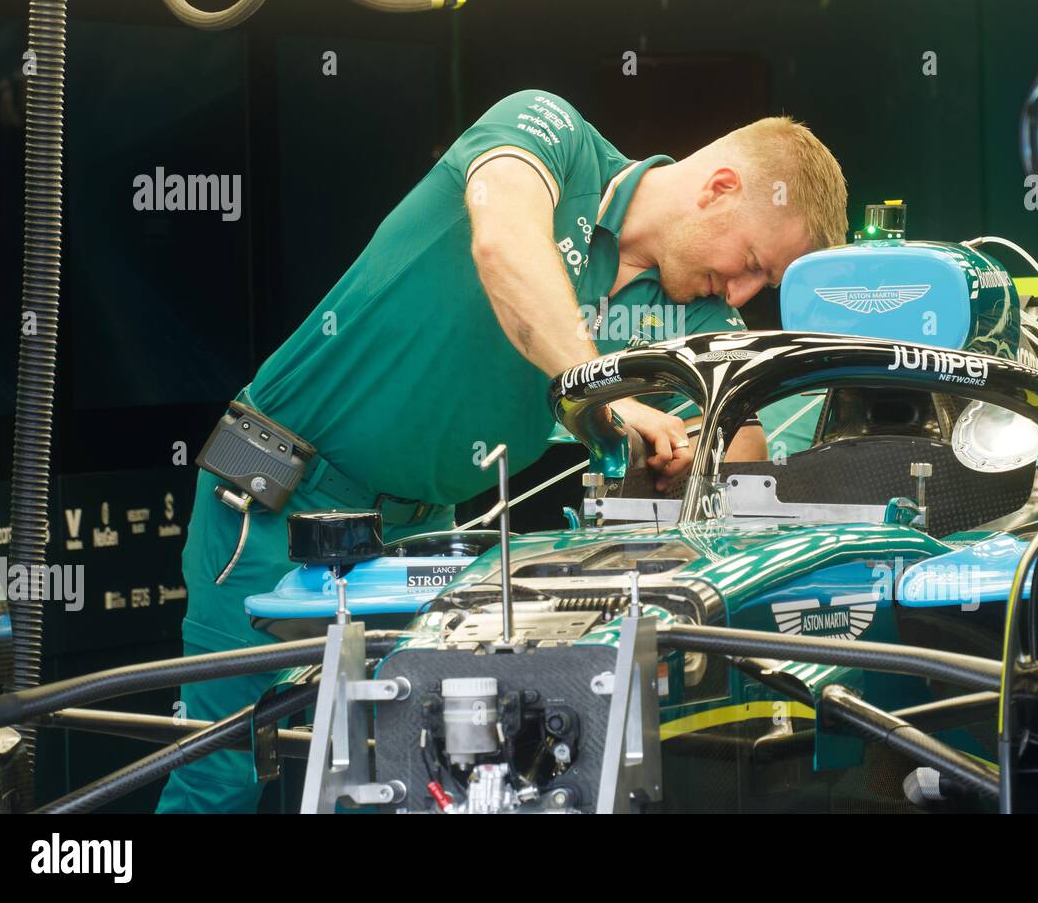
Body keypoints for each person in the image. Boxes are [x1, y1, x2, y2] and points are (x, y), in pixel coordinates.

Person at [156, 88, 848, 812]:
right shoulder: (549, 132)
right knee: (221, 774)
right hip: (278, 495)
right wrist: (603, 397)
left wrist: (697, 462)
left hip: (423, 531)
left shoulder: (694, 308)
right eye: (749, 261)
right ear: (721, 188)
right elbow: (506, 245)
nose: (740, 289)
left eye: (760, 284)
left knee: (420, 778)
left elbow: (741, 443)